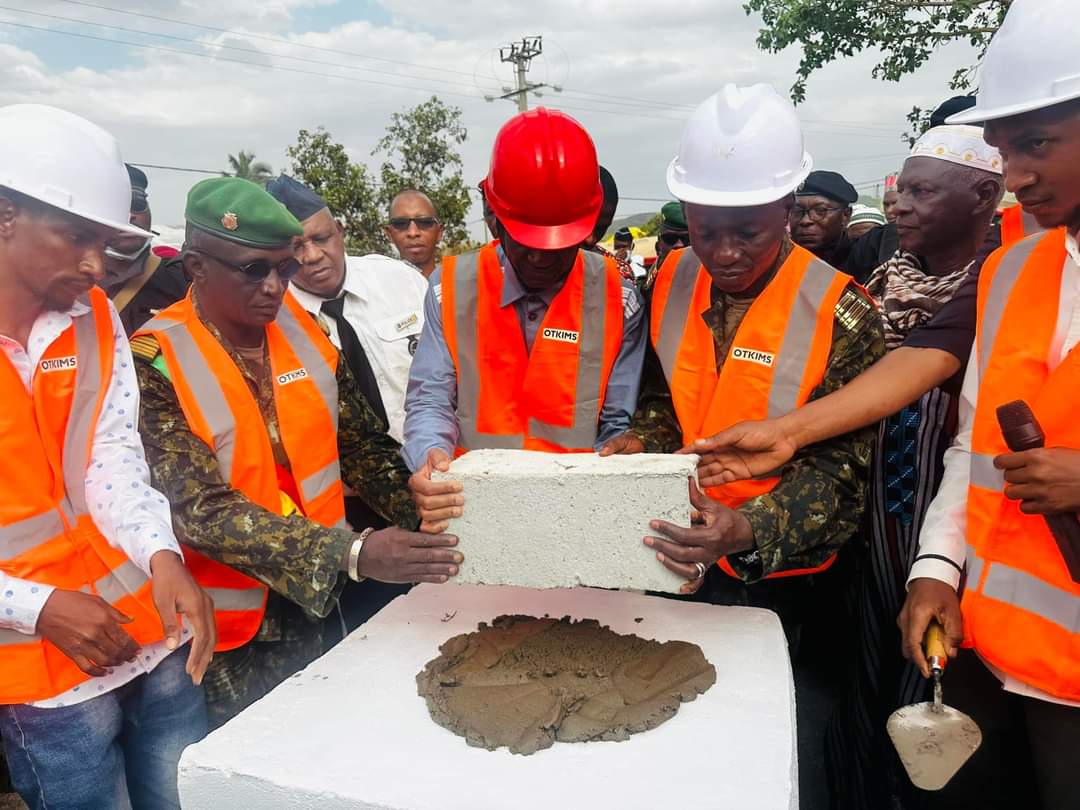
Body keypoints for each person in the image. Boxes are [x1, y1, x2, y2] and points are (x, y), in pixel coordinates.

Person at [692, 2, 1080, 804]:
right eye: (1007, 150)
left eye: (1037, 144)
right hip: (987, 648)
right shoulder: (1016, 270)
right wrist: (937, 569)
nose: (1016, 176)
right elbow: (971, 443)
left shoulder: (844, 300)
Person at [133, 177, 461, 726]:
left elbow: (361, 446)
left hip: (320, 604)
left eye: (283, 269)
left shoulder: (305, 333)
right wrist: (353, 554)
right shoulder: (154, 358)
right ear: (195, 266)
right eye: (253, 269)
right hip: (229, 634)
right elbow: (199, 510)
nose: (274, 286)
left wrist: (428, 509)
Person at [0, 103, 215, 810]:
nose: (95, 265)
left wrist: (162, 556)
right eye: (74, 237)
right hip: (41, 675)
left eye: (105, 242)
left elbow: (112, 458)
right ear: (5, 216)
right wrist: (38, 608)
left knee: (179, 794)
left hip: (145, 631)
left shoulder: (92, 317)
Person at [826, 125, 1004, 810]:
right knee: (863, 680)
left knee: (936, 694)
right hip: (872, 533)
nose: (899, 205)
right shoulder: (878, 283)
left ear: (984, 196)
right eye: (901, 190)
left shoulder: (1000, 288)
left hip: (957, 539)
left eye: (923, 191)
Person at [404, 108, 646, 528]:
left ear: (587, 228)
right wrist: (430, 459)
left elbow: (615, 424)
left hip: (578, 515)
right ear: (495, 216)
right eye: (523, 239)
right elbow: (430, 399)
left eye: (555, 244)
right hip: (473, 511)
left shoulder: (619, 299)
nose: (537, 258)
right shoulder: (450, 289)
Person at [267, 174, 426, 445]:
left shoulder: (402, 281)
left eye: (321, 238)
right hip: (346, 480)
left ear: (340, 232)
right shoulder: (272, 318)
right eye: (296, 247)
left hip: (432, 459)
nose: (313, 256)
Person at [100, 164, 189, 336]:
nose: (129, 215)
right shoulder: (74, 279)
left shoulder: (181, 278)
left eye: (137, 204)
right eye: (117, 206)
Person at [790, 169, 859, 269]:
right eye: (797, 211)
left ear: (845, 215)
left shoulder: (861, 261)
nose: (805, 221)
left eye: (820, 210)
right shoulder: (777, 260)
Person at [384, 190, 443, 278]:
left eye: (424, 222)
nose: (413, 233)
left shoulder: (460, 286)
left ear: (439, 232)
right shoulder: (378, 287)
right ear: (390, 234)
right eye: (400, 224)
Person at [653, 200, 690, 273]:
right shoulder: (651, 274)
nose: (679, 245)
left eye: (686, 238)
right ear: (659, 243)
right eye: (670, 238)